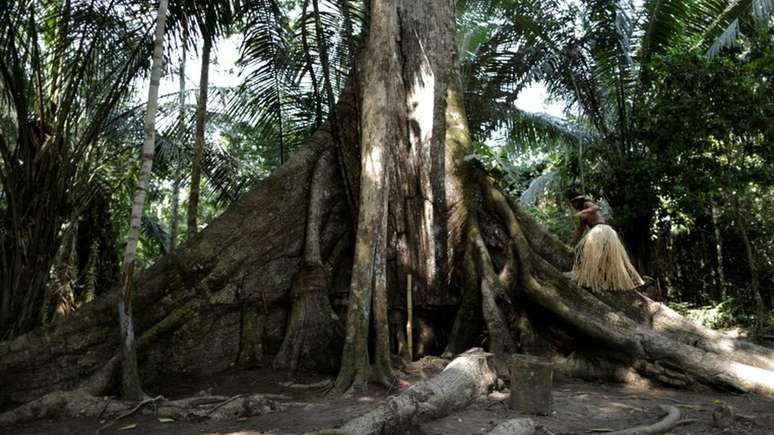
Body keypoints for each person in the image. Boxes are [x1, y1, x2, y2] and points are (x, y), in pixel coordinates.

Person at [566, 194, 644, 292]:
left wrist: (584, 211)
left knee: (604, 257)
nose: (573, 205)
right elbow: (579, 232)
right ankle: (599, 279)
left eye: (575, 202)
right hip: (604, 233)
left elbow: (596, 207)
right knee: (599, 257)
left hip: (601, 230)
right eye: (572, 203)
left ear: (579, 200)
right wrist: (571, 245)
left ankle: (609, 281)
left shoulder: (586, 204)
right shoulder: (583, 217)